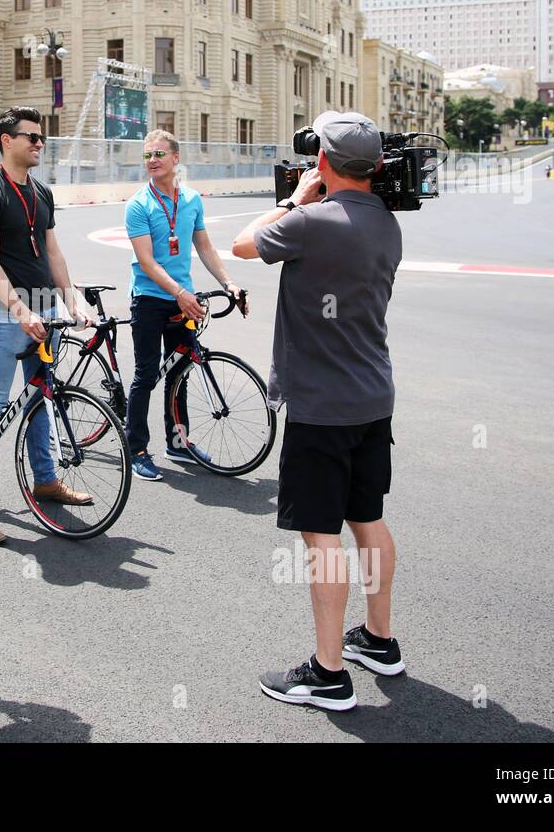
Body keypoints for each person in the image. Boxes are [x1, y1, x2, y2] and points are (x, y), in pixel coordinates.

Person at [231, 111, 405, 712]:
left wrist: (294, 197)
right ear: (379, 167)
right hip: (371, 398)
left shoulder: (309, 222)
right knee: (368, 520)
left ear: (324, 162)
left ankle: (328, 673)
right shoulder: (388, 223)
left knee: (320, 535)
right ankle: (379, 639)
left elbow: (243, 244)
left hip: (321, 406)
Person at [0, 106, 93, 546]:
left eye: (42, 138)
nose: (39, 144)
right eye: (31, 137)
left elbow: (53, 253)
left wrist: (73, 300)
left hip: (45, 310)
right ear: (6, 140)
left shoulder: (42, 192)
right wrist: (21, 310)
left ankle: (46, 479)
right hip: (5, 312)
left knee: (41, 400)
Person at [124, 129, 244, 482]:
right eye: (147, 155)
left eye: (159, 154)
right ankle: (137, 449)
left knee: (180, 373)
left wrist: (228, 283)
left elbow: (205, 247)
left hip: (182, 298)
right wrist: (179, 292)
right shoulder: (138, 204)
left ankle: (178, 443)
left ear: (176, 158)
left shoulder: (191, 200)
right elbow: (146, 262)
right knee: (146, 375)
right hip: (149, 299)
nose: (152, 161)